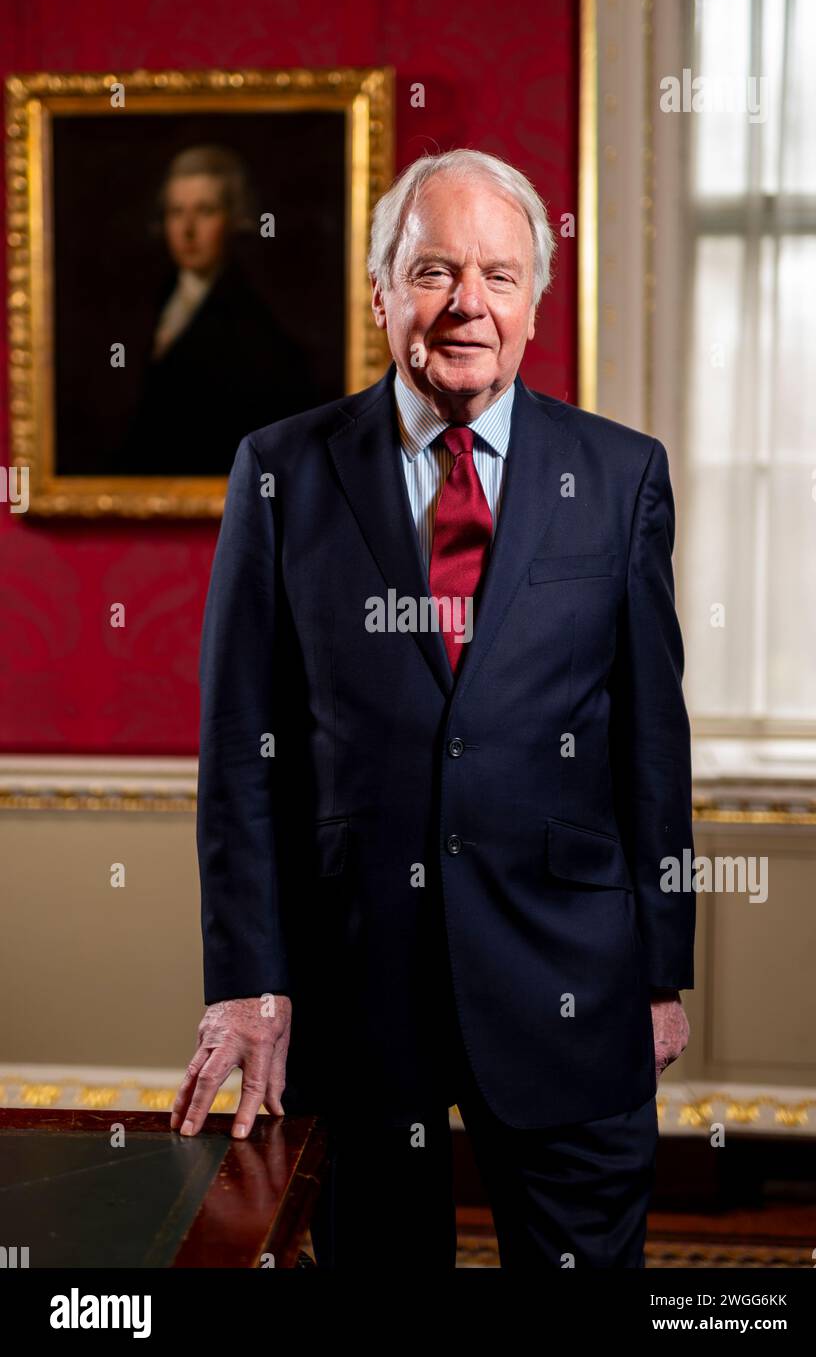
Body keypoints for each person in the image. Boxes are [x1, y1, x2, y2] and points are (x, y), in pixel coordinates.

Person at [171, 147, 695, 1269]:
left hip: (571, 980)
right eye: (435, 271)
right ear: (380, 292)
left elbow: (653, 743)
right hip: (357, 991)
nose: (468, 304)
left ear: (534, 304)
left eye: (500, 276)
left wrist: (661, 971)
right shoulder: (279, 470)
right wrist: (247, 981)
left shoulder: (619, 474)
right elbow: (240, 756)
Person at [116, 145, 314, 476]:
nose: (188, 229)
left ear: (235, 219)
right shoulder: (149, 302)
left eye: (205, 211)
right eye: (176, 212)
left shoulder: (254, 328)